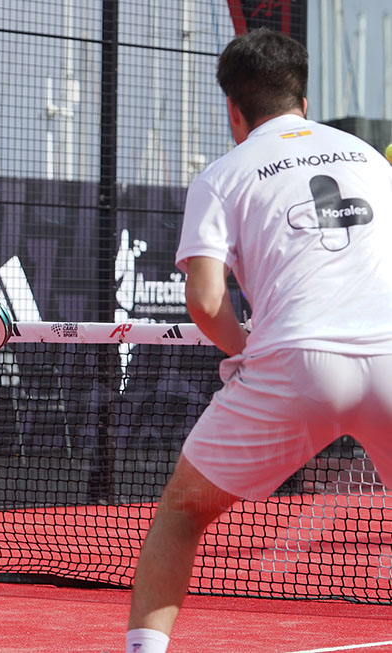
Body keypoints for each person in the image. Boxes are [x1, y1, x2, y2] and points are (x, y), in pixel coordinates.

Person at [125, 29, 392, 653]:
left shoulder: (222, 175)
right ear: (304, 97)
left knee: (182, 514)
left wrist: (244, 348)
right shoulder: (371, 159)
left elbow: (204, 301)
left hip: (294, 363)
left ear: (233, 110)